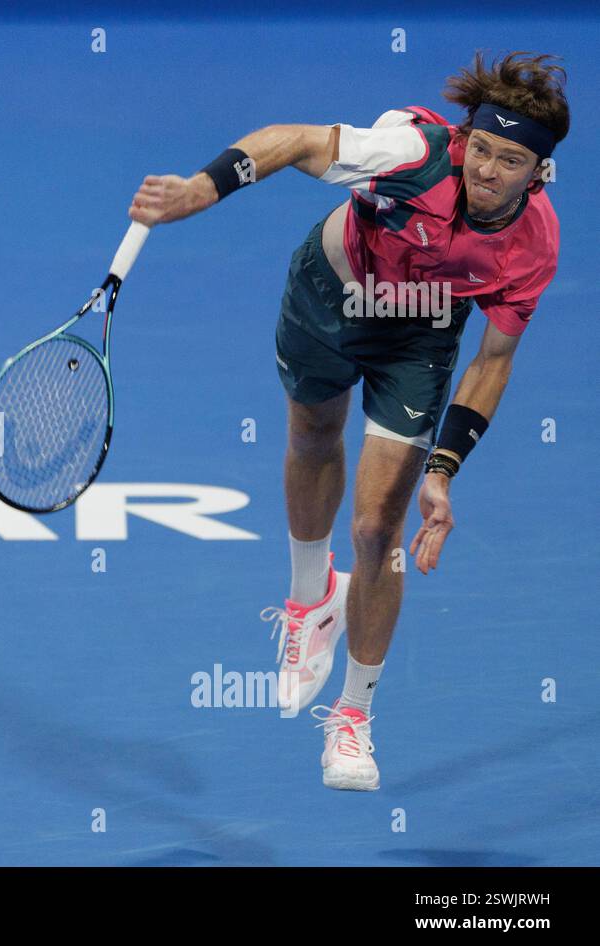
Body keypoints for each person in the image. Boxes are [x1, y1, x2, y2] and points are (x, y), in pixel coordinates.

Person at [127, 51, 568, 790]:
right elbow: (296, 140)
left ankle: (354, 718)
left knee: (374, 530)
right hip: (329, 296)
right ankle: (309, 599)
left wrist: (444, 470)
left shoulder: (535, 244)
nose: (488, 170)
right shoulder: (413, 155)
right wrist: (202, 189)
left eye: (510, 160)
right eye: (482, 149)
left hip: (420, 337)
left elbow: (492, 361)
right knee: (311, 437)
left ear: (540, 171)